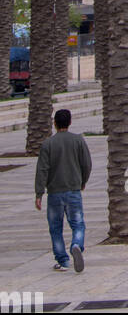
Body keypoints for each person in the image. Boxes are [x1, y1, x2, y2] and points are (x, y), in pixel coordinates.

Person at [34, 108, 92, 273]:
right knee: (78, 224)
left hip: (54, 193)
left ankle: (63, 260)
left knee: (55, 227)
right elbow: (86, 164)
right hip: (73, 189)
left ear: (55, 123)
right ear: (70, 122)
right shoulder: (78, 140)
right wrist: (83, 181)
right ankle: (76, 245)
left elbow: (42, 170)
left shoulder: (48, 144)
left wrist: (39, 193)